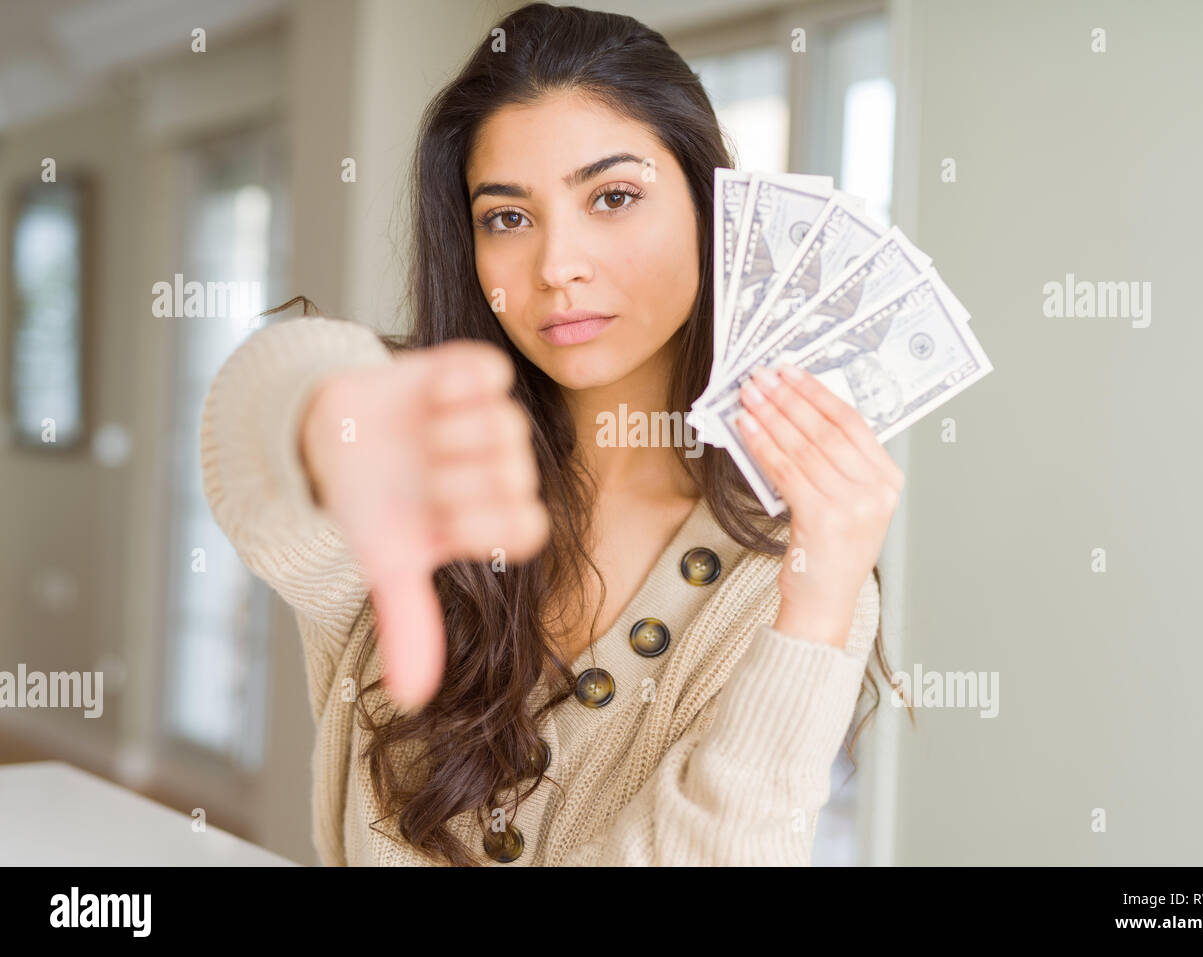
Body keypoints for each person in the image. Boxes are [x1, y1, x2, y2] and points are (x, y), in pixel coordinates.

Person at [199, 1, 906, 867]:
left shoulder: (782, 571)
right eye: (507, 216)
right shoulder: (428, 454)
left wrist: (822, 597)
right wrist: (317, 428)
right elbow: (263, 417)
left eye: (613, 197)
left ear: (712, 210)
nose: (556, 265)